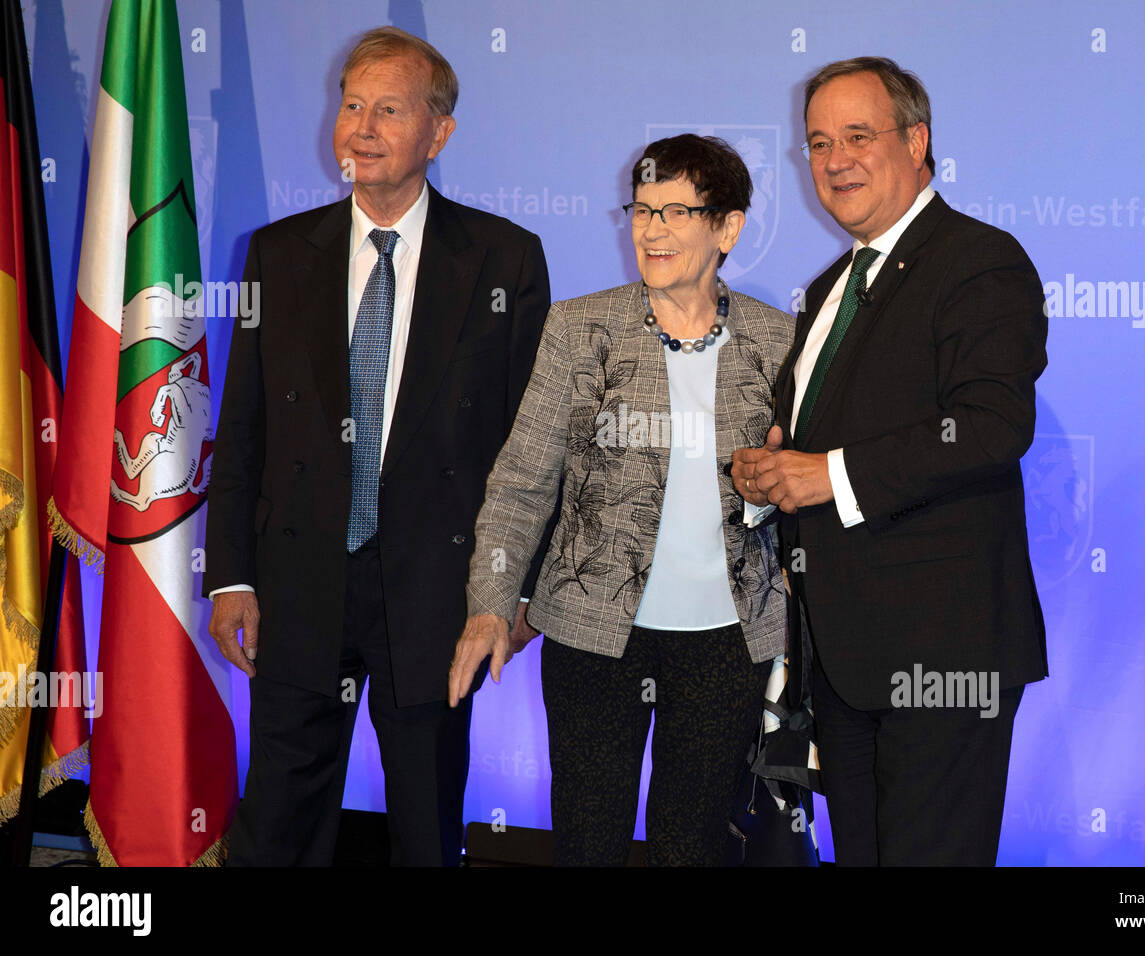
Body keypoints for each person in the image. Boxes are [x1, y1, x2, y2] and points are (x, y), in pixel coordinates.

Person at [203, 26, 550, 866]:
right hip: (298, 588)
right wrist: (233, 575)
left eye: (387, 109)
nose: (360, 127)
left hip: (437, 592)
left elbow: (535, 447)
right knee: (278, 822)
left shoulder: (504, 260)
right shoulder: (278, 255)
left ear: (438, 133)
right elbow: (242, 425)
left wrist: (517, 590)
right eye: (351, 105)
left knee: (427, 826)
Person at [732, 57, 1048, 866]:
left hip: (943, 662)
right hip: (843, 661)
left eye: (858, 136)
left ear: (917, 140)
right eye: (817, 142)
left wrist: (826, 474)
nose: (835, 160)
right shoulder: (832, 284)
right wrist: (770, 473)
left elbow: (990, 426)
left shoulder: (979, 260)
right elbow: (810, 440)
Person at [449, 134, 791, 866]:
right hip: (593, 634)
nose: (652, 230)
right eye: (641, 211)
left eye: (676, 211)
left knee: (692, 847)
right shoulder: (579, 329)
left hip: (729, 645)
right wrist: (491, 600)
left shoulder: (778, 340)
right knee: (588, 840)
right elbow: (521, 481)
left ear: (728, 227)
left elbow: (797, 499)